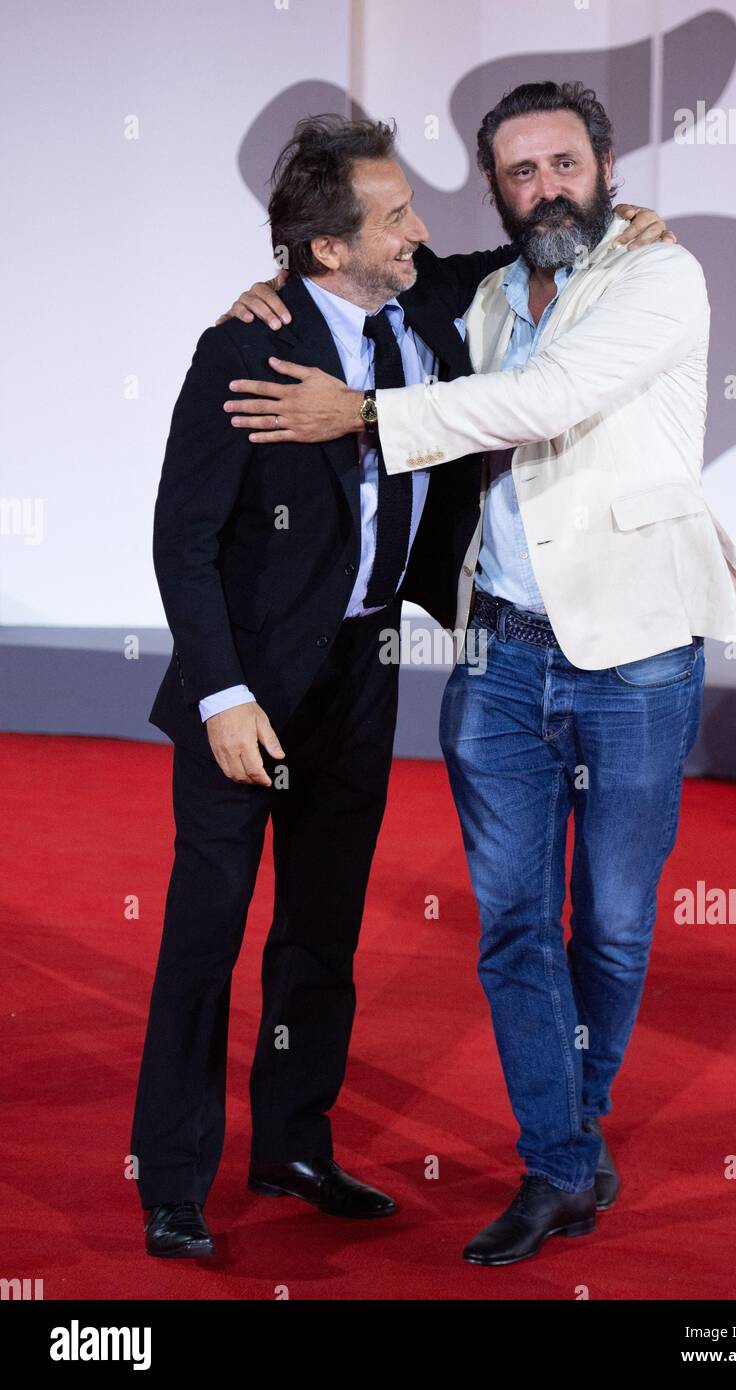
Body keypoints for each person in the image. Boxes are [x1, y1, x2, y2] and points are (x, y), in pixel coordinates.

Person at [220, 82, 736, 1266]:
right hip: (497, 656)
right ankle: (557, 1164)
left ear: (605, 162)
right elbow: (358, 273)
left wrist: (367, 414)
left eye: (561, 164)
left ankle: (575, 1126)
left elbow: (546, 398)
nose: (544, 189)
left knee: (614, 929)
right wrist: (270, 289)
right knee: (513, 924)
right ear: (497, 190)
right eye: (518, 173)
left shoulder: (655, 277)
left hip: (633, 656)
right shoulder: (474, 289)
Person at [133, 107, 669, 1259]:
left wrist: (620, 220)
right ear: (327, 251)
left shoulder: (424, 304)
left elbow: (531, 243)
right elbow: (182, 539)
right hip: (249, 690)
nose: (420, 230)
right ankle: (172, 1181)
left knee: (321, 931)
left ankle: (292, 1144)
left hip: (363, 670)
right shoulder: (244, 345)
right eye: (393, 218)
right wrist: (223, 698)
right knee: (206, 934)